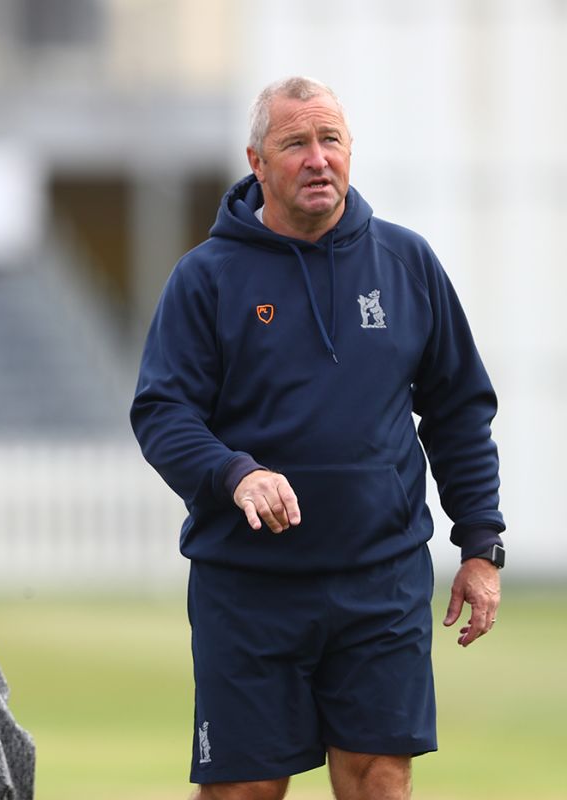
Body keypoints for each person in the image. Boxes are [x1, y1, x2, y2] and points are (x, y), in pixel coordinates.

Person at [130, 76, 505, 800]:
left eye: (330, 139)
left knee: (377, 783)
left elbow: (460, 409)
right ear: (257, 162)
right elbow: (162, 413)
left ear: (350, 150)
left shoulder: (407, 264)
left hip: (381, 581)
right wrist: (235, 473)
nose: (316, 158)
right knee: (247, 790)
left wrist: (481, 546)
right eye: (294, 143)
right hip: (248, 588)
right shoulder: (205, 278)